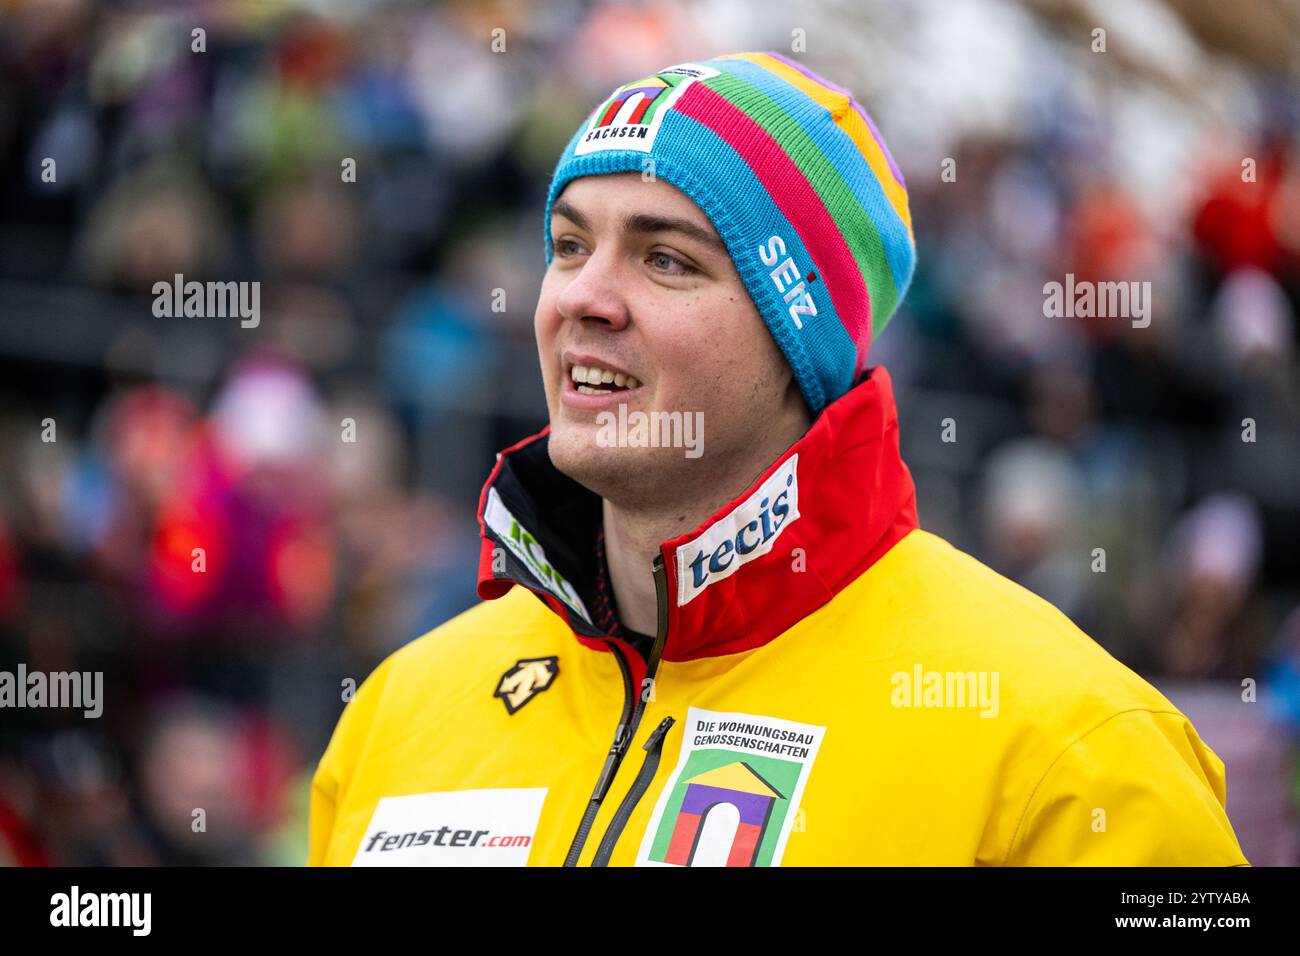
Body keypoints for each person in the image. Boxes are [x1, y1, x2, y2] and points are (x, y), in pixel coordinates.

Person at [308, 53, 1248, 866]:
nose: (580, 299)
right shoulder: (402, 710)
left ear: (802, 341)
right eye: (567, 245)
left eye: (667, 259)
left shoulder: (1072, 750)